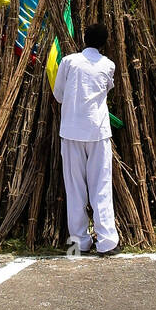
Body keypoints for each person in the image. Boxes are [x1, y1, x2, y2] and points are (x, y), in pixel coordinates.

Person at [52, 23, 118, 255]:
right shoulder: (108, 65)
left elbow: (58, 94)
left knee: (75, 187)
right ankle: (107, 241)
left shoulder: (69, 62)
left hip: (70, 130)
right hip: (98, 132)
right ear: (104, 43)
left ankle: (79, 240)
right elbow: (108, 90)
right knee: (101, 184)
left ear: (84, 38)